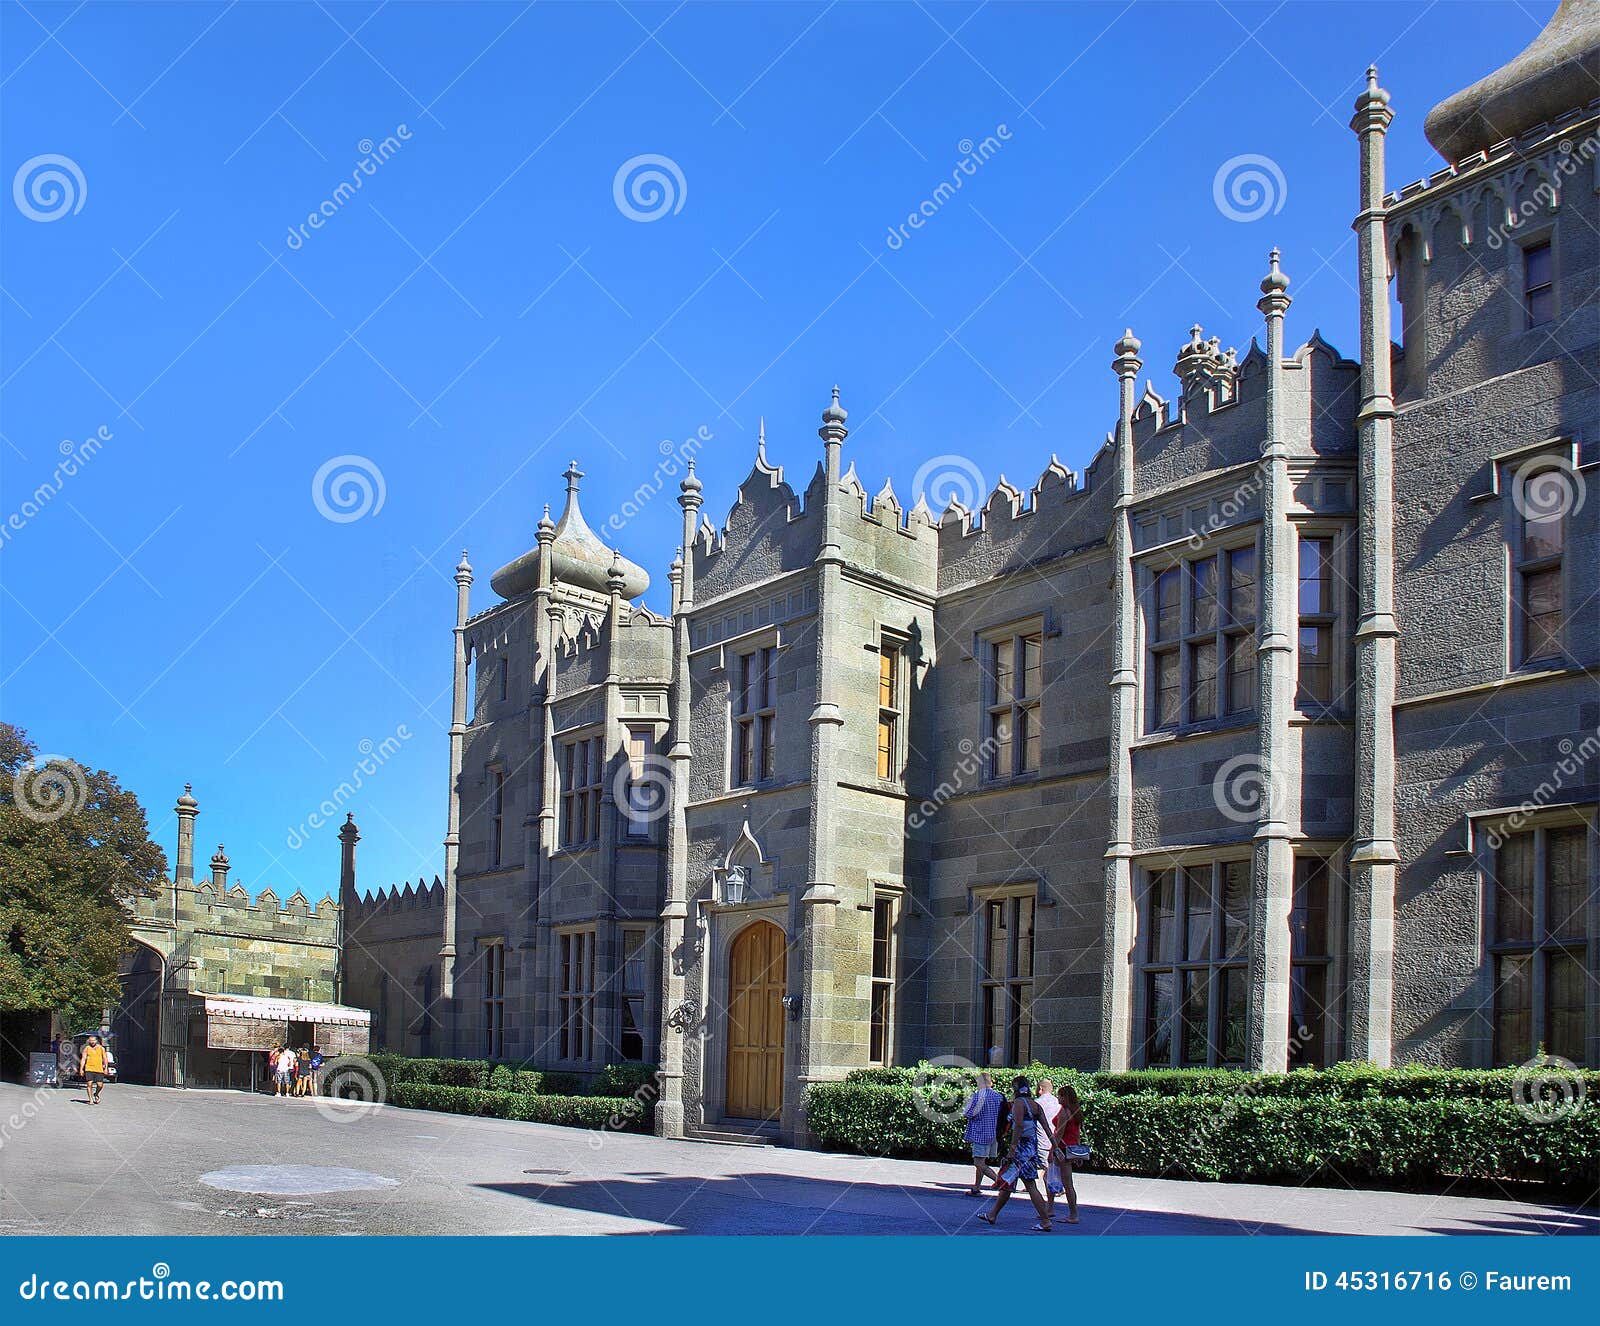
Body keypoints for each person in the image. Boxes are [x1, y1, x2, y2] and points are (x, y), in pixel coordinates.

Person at [977, 1077, 1054, 1232]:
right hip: (1031, 1147)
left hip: (1020, 1150)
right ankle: (992, 1214)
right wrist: (1056, 1146)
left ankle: (1045, 1221)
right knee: (1008, 1182)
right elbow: (1046, 1126)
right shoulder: (1035, 1104)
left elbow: (1018, 1125)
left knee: (1030, 1185)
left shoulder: (1019, 1103)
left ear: (1016, 1088)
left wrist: (1012, 1149)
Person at [1046, 1083, 1085, 1226]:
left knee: (1063, 1182)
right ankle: (1049, 1208)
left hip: (1062, 1149)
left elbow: (1058, 1134)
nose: (1058, 1098)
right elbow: (1077, 1134)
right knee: (1060, 1180)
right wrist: (1078, 1152)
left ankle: (1072, 1214)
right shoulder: (1076, 1111)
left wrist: (1052, 1151)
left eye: (1060, 1095)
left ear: (1065, 1097)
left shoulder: (1064, 1112)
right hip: (1071, 1148)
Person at [961, 1071, 1005, 1196]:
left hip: (980, 1133)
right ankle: (976, 1187)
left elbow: (967, 1113)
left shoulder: (977, 1096)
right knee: (982, 1161)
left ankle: (1000, 1182)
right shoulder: (999, 1097)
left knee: (978, 1163)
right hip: (994, 1134)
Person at [79, 1035, 108, 1105]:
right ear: (89, 1041)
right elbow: (83, 1059)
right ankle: (91, 1099)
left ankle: (96, 1093)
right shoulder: (87, 1048)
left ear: (96, 1041)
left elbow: (105, 1058)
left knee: (100, 1085)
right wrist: (81, 1069)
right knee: (89, 1084)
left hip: (99, 1069)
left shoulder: (101, 1048)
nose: (92, 1042)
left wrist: (106, 1068)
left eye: (93, 1040)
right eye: (91, 1040)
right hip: (89, 1068)